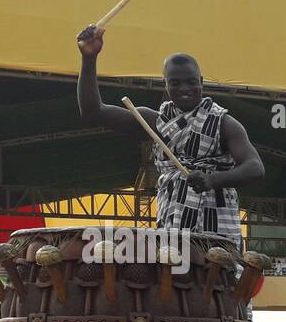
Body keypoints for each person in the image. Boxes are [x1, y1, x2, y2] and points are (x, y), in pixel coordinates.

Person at [75, 26, 264, 244]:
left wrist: (212, 180)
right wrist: (89, 58)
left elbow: (255, 168)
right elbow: (93, 112)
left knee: (215, 275)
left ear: (201, 82)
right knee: (171, 275)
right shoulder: (155, 122)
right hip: (172, 227)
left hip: (218, 230)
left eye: (191, 82)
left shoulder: (224, 123)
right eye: (175, 83)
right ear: (165, 84)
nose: (184, 88)